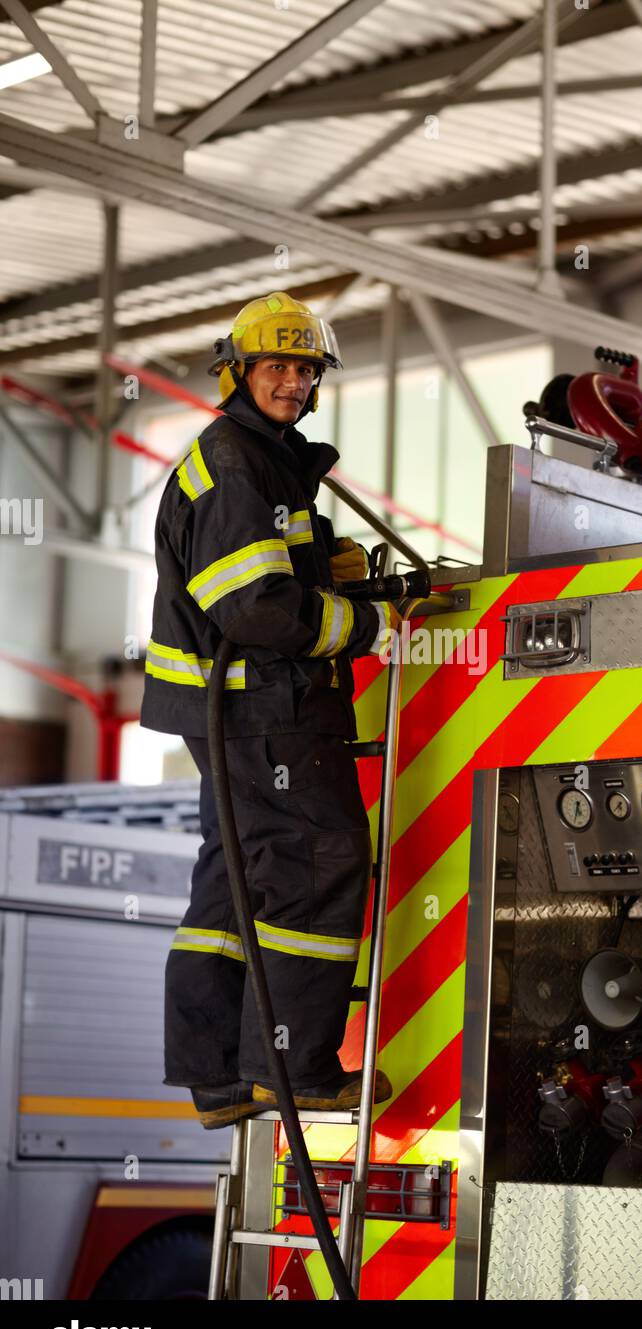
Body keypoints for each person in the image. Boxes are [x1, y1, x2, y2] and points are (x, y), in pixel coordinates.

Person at [140, 291, 395, 1128]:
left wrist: (328, 565)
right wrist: (363, 622)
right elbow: (251, 607)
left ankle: (217, 1075)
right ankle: (295, 1067)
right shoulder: (238, 463)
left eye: (304, 367)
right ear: (237, 372)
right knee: (318, 863)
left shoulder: (261, 460)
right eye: (276, 366)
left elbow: (264, 575)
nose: (291, 381)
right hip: (262, 707)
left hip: (235, 708)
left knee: (233, 883)